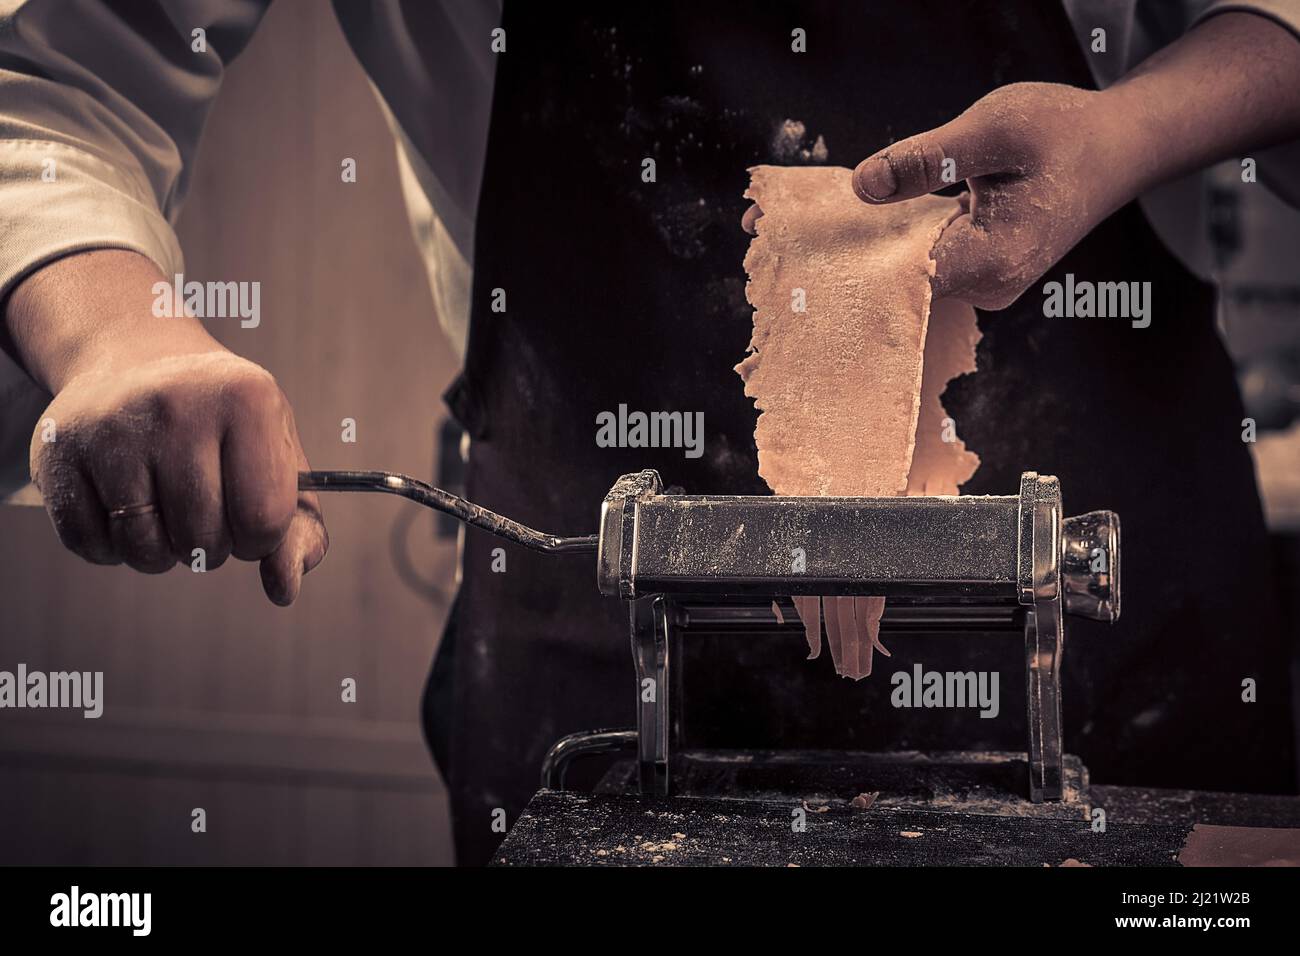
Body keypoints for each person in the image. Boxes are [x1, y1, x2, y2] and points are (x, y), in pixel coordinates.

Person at [2, 1, 1298, 866]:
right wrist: (116, 328)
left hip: (1127, 676)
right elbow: (56, 74)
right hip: (598, 670)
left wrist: (1133, 128)